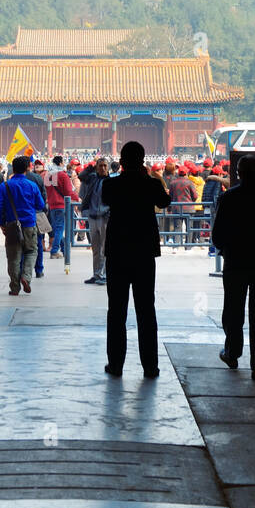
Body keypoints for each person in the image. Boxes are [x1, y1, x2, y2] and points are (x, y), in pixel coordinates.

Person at [101, 141, 170, 378]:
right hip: (143, 252)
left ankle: (116, 364)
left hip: (118, 251)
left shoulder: (111, 184)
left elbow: (105, 200)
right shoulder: (150, 184)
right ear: (143, 161)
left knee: (116, 310)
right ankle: (150, 366)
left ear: (121, 161)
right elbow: (164, 202)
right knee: (145, 310)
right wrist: (150, 176)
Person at [210, 155, 255, 378]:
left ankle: (232, 352)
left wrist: (227, 248)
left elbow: (217, 235)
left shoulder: (227, 199)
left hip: (235, 263)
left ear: (238, 173)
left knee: (233, 311)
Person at [0, 155, 46, 295]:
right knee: (31, 251)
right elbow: (40, 205)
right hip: (29, 224)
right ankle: (26, 277)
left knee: (13, 257)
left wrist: (1, 223)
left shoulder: (5, 186)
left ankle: (15, 287)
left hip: (11, 225)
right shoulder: (32, 185)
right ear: (28, 168)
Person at [79, 156, 110, 284]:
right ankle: (96, 274)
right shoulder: (92, 179)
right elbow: (81, 176)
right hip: (93, 217)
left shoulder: (112, 180)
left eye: (104, 166)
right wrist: (90, 167)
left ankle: (105, 275)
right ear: (96, 168)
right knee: (96, 248)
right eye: (100, 166)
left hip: (105, 218)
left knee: (106, 248)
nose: (102, 168)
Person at [45, 155, 73, 257]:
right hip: (61, 204)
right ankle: (54, 250)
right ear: (60, 163)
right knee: (60, 228)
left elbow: (46, 190)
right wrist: (77, 198)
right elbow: (68, 191)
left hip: (52, 204)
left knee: (57, 228)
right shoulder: (63, 175)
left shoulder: (48, 175)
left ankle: (64, 250)